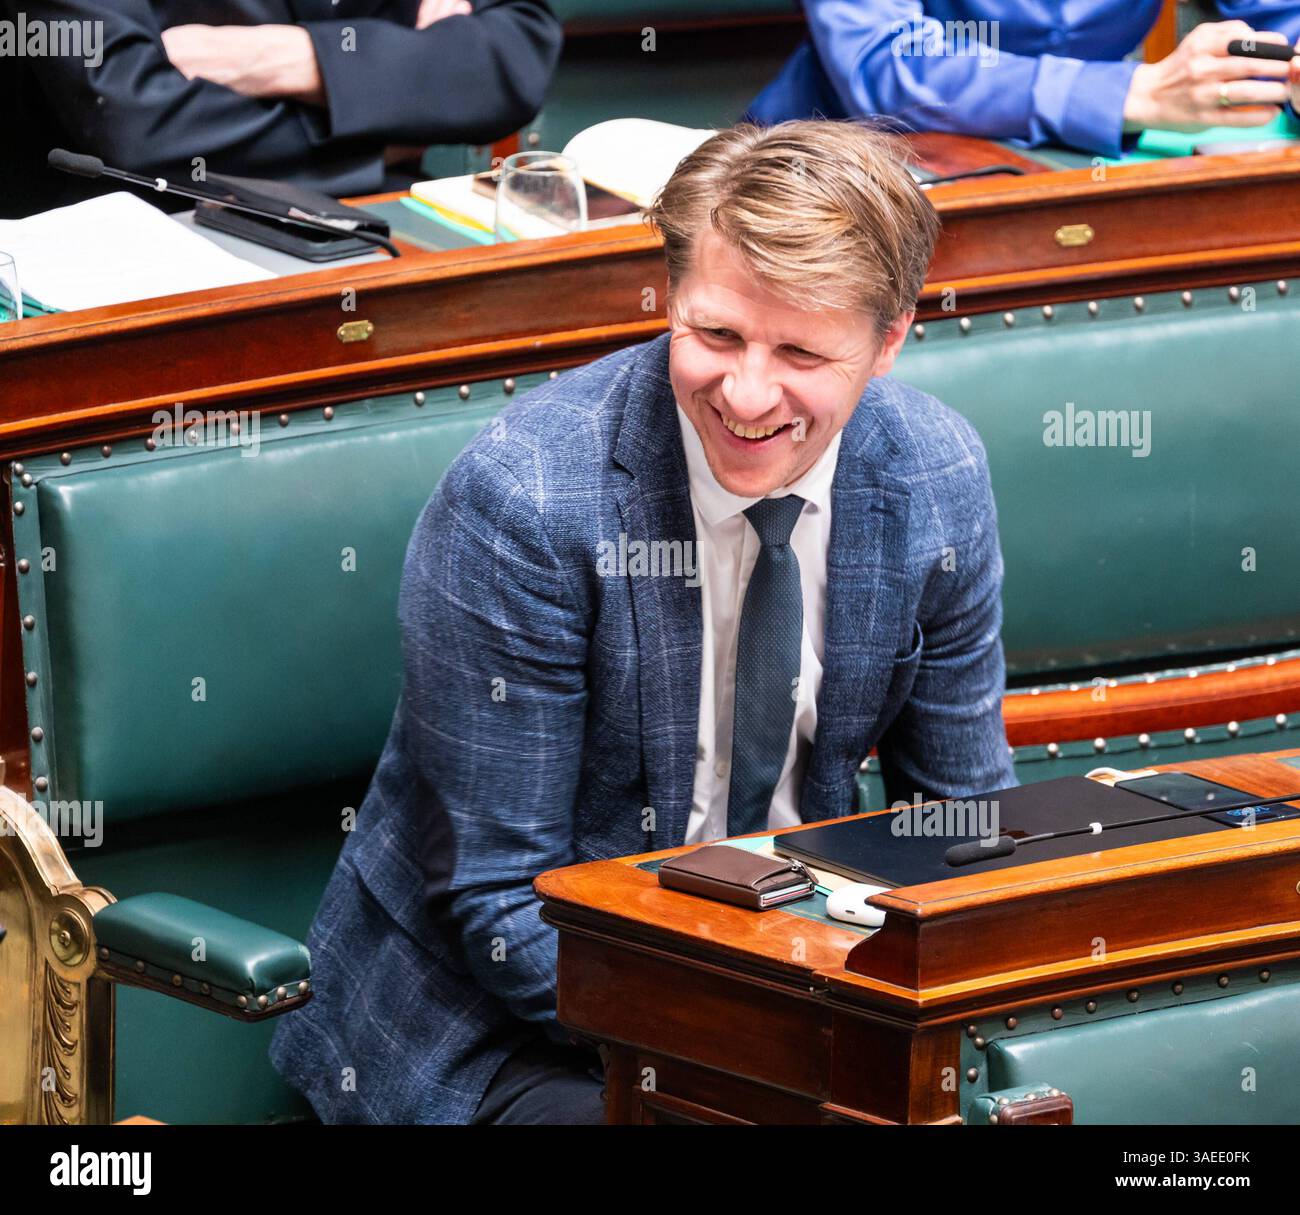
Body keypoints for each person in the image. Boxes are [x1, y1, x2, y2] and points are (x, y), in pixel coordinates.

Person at [269, 119, 1017, 1124]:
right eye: (714, 335)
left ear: (887, 342)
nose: (747, 395)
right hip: (499, 1028)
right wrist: (774, 1056)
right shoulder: (527, 501)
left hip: (799, 979)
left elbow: (963, 823)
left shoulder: (935, 474)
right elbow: (501, 906)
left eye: (799, 350)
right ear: (671, 298)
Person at [1, 0, 562, 217]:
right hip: (147, 249)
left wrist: (286, 56)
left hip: (380, 226)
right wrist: (378, 126)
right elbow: (134, 122)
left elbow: (514, 54)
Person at [746, 2, 1300, 158]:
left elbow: (1284, 16)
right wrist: (1129, 93)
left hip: (1076, 161)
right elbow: (886, 62)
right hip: (831, 156)